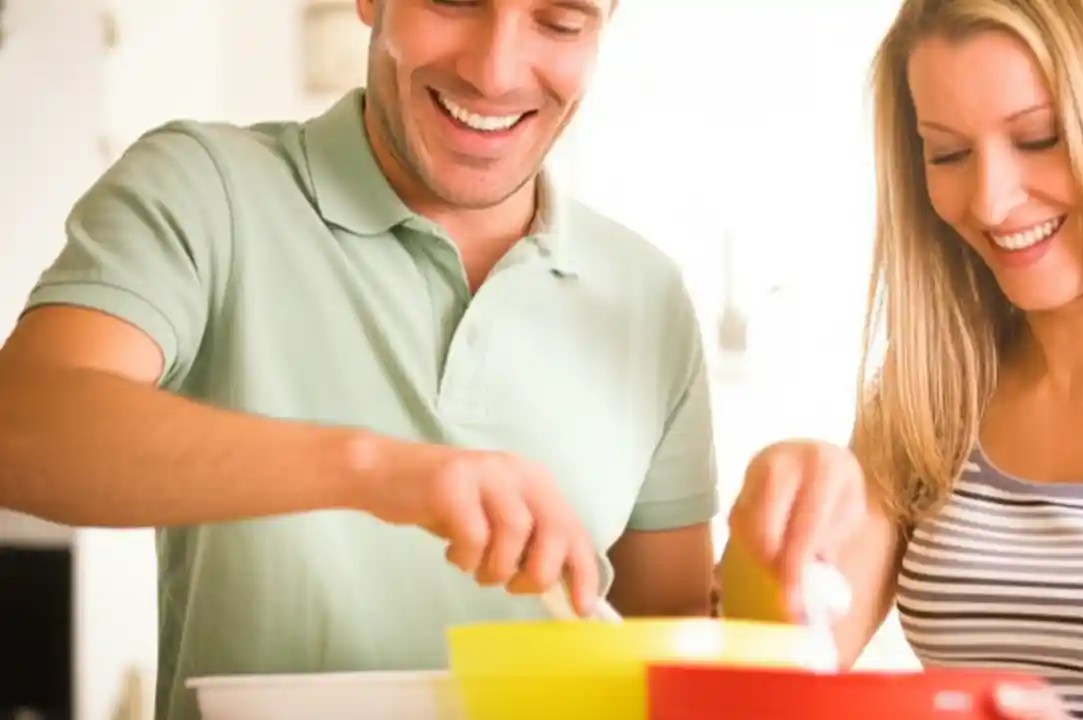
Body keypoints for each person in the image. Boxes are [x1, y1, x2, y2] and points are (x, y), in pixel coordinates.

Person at [0, 1, 718, 718]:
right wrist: (377, 471)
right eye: (454, 1)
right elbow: (20, 429)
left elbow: (670, 649)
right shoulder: (207, 189)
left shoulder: (647, 295)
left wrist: (792, 573)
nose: (495, 73)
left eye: (560, 22)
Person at [723, 0, 1083, 718]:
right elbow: (778, 680)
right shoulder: (935, 388)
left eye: (1039, 137)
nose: (989, 200)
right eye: (948, 153)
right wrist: (771, 527)